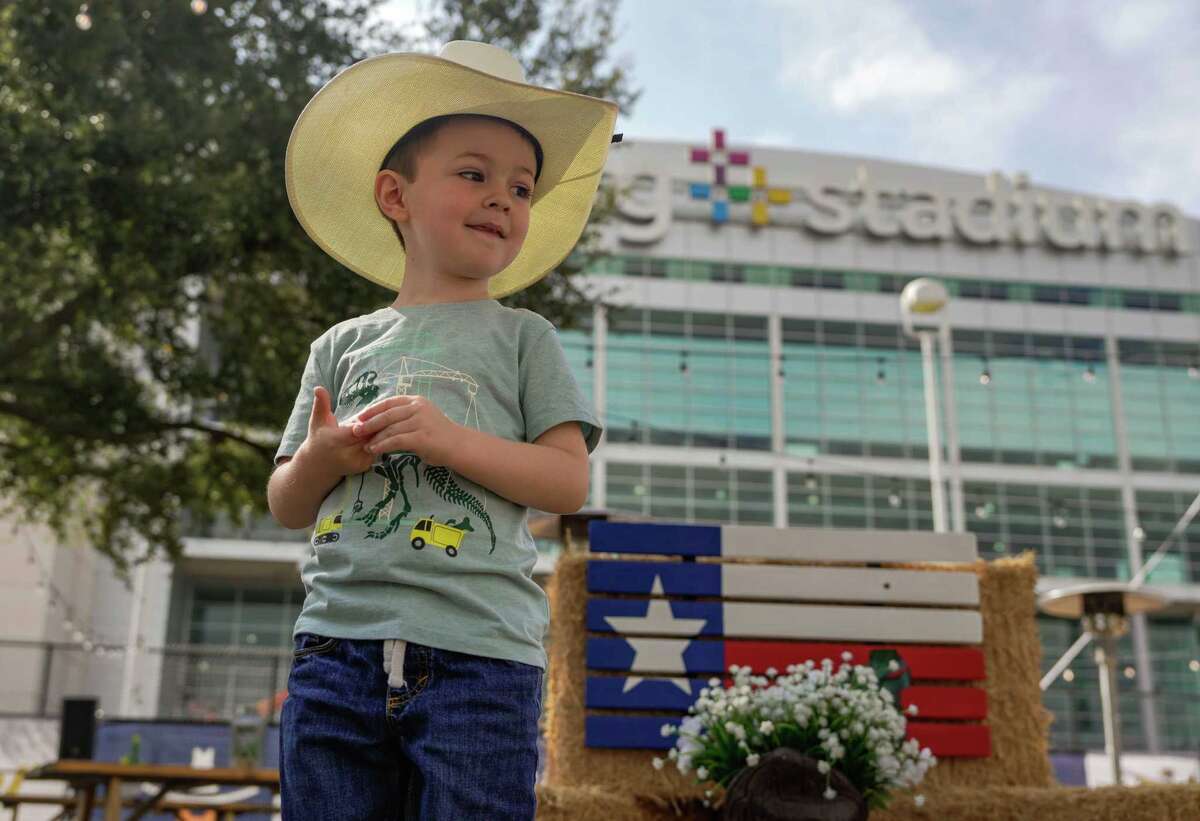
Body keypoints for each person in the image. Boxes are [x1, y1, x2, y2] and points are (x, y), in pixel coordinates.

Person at [266, 40, 619, 819]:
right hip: (335, 648)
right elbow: (288, 501)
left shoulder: (526, 338)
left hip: (481, 658)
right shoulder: (340, 345)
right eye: (474, 173)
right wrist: (323, 455)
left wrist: (447, 438)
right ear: (396, 195)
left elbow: (565, 481)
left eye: (521, 187)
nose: (503, 198)